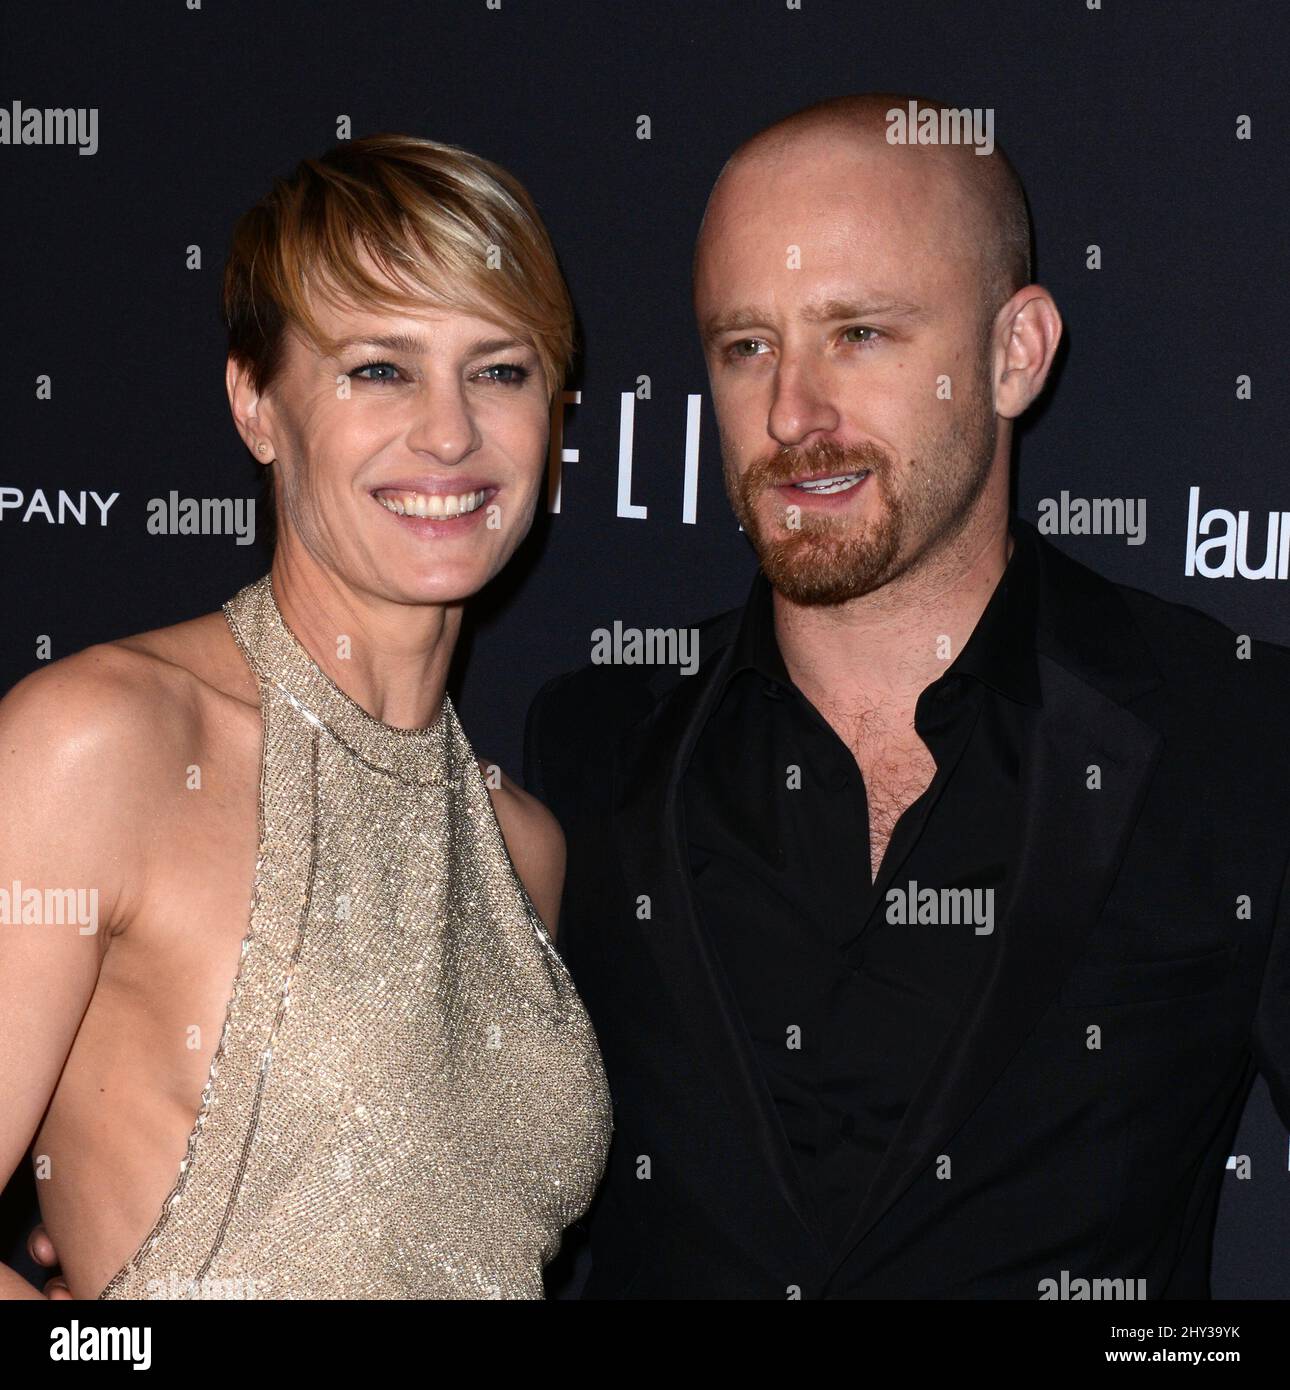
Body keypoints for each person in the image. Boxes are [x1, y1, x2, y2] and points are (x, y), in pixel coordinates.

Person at [523, 93, 1290, 1298]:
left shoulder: (1238, 737)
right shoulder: (588, 748)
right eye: (746, 346)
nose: (790, 414)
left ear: (1014, 353)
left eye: (861, 335)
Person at [1, 134, 611, 1300]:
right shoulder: (104, 745)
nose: (448, 432)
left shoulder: (523, 846)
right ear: (256, 402)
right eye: (378, 368)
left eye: (500, 369)